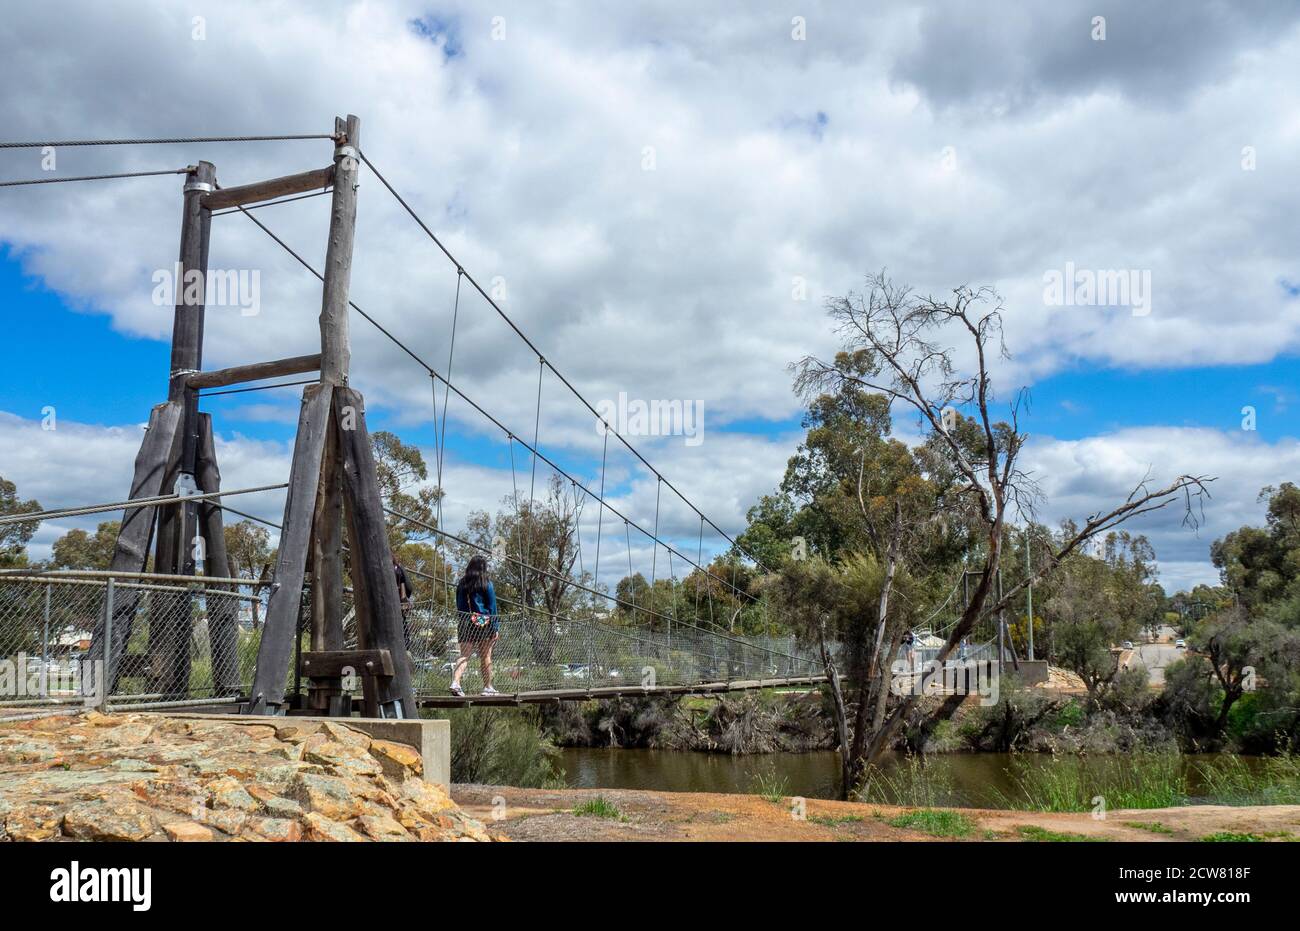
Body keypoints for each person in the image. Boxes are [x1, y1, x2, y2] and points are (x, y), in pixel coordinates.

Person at [450, 554, 500, 696]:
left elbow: (459, 605)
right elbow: (492, 607)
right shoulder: (486, 583)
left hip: (466, 621)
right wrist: (495, 627)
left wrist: (465, 618)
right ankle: (488, 687)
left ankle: (456, 682)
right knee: (486, 656)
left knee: (464, 655)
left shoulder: (462, 583)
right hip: (484, 623)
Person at [393, 554, 413, 649]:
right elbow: (409, 587)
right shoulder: (398, 569)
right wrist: (405, 599)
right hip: (398, 606)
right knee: (403, 637)